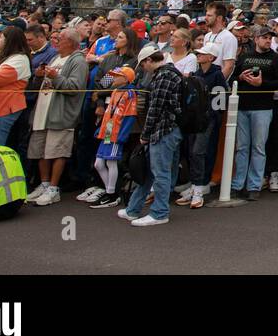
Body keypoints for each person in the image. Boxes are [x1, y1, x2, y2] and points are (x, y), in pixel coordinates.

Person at [120, 44, 184, 227]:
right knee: (151, 172)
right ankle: (133, 209)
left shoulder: (164, 76)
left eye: (143, 64)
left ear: (149, 60)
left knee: (159, 173)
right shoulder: (169, 74)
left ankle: (159, 213)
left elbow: (155, 109)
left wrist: (145, 134)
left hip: (164, 130)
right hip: (167, 129)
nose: (142, 68)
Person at [25, 24, 87, 206]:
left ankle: (53, 188)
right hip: (43, 111)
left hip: (61, 114)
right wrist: (38, 76)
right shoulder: (55, 58)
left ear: (71, 42)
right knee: (41, 149)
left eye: (59, 39)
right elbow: (41, 84)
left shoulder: (78, 61)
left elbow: (75, 88)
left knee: (57, 151)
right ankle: (44, 184)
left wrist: (55, 77)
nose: (56, 42)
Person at [232, 26, 278, 200]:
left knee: (258, 147)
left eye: (270, 38)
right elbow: (232, 78)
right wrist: (241, 78)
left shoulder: (276, 58)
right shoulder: (244, 57)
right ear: (256, 39)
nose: (268, 40)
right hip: (243, 106)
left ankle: (254, 185)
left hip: (263, 107)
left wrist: (261, 84)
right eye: (264, 37)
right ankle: (238, 183)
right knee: (241, 147)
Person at [176, 45, 226, 208]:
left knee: (199, 151)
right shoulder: (196, 74)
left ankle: (200, 186)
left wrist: (213, 116)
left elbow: (220, 99)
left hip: (208, 120)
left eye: (203, 54)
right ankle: (196, 184)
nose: (199, 55)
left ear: (211, 57)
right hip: (194, 119)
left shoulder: (217, 75)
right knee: (192, 151)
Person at [84, 63, 137, 210]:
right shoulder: (115, 92)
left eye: (117, 76)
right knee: (98, 163)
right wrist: (101, 129)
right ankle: (110, 191)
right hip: (108, 130)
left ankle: (112, 194)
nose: (113, 78)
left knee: (110, 162)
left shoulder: (130, 93)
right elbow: (109, 113)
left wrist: (122, 134)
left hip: (116, 132)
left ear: (126, 79)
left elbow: (130, 116)